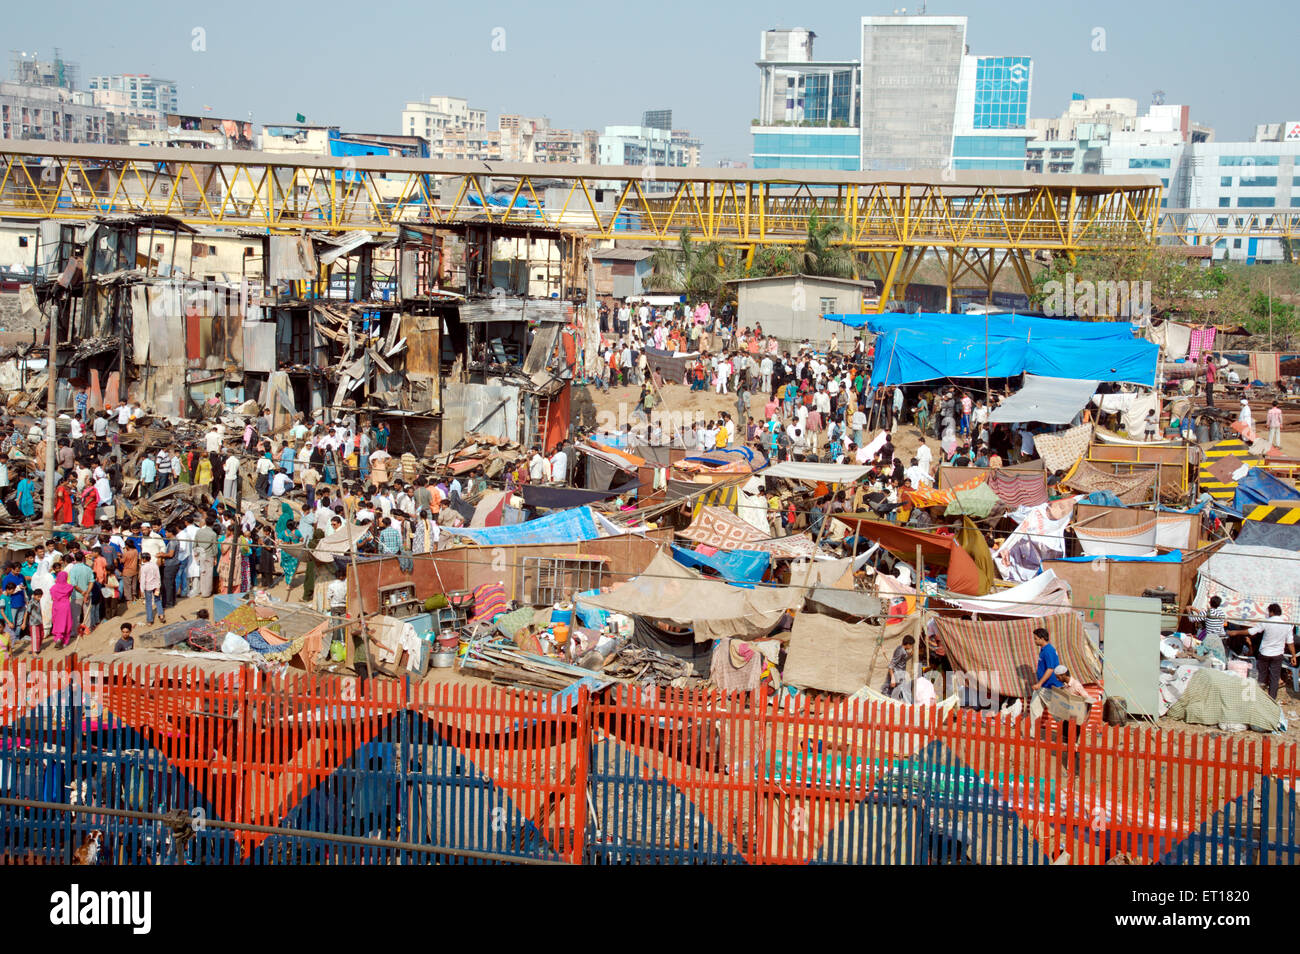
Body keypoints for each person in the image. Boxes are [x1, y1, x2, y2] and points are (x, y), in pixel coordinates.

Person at [1246, 604, 1295, 700]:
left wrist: (1235, 632)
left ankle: (1258, 698)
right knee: (1274, 678)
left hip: (1264, 653)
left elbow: (1252, 631)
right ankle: (1272, 700)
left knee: (1261, 677)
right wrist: (1293, 656)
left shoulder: (1266, 622)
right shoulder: (1287, 625)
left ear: (1271, 612)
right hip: (1277, 655)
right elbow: (1290, 642)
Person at [49, 570, 75, 648]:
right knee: (67, 622)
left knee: (57, 622)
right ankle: (65, 642)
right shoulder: (69, 587)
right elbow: (69, 594)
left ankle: (58, 637)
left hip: (56, 605)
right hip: (66, 605)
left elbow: (52, 597)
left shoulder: (53, 588)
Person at [140, 552, 163, 624]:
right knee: (158, 600)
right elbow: (158, 576)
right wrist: (158, 586)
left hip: (148, 587)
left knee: (148, 603)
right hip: (156, 586)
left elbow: (142, 579)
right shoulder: (155, 565)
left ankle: (150, 620)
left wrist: (141, 589)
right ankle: (161, 615)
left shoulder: (143, 567)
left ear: (144, 559)